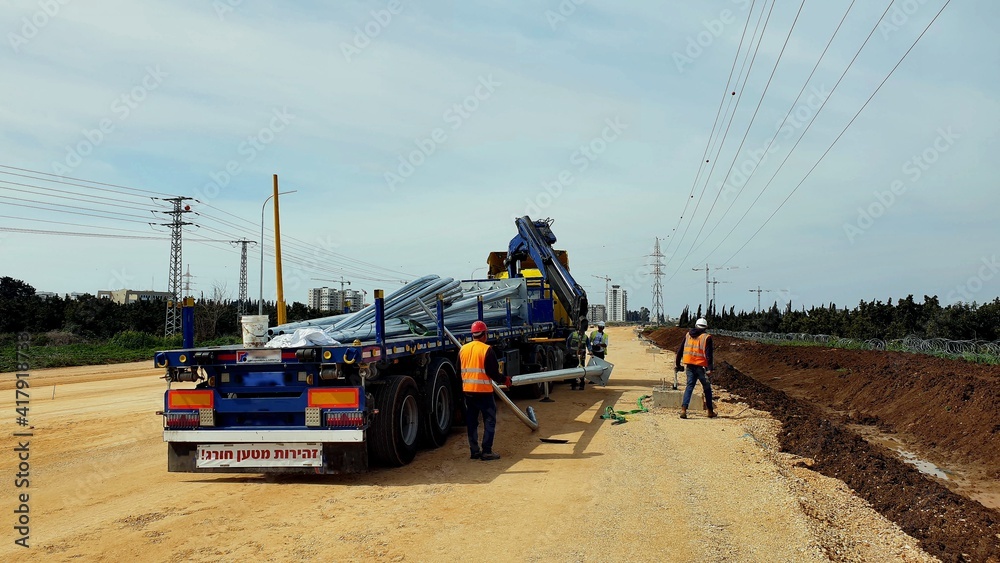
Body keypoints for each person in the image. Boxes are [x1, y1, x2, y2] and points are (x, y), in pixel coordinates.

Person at [459, 320, 503, 461]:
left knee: (472, 422)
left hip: (468, 392)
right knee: (489, 420)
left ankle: (474, 451)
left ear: (473, 335)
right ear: (484, 334)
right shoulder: (487, 349)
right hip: (484, 392)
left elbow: (457, 373)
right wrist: (506, 380)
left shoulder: (463, 349)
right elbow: (493, 373)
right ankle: (487, 451)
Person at [674, 317, 717, 419]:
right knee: (707, 388)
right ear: (706, 327)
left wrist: (678, 364)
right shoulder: (707, 337)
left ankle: (683, 410)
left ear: (696, 325)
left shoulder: (688, 335)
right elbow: (709, 355)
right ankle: (710, 411)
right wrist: (710, 368)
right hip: (701, 367)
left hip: (689, 366)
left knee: (689, 387)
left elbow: (680, 351)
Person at [565, 323, 590, 390]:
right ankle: (574, 384)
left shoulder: (585, 337)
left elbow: (588, 345)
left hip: (582, 356)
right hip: (573, 355)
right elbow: (568, 343)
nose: (582, 332)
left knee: (582, 369)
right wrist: (568, 351)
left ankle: (582, 384)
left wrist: (590, 351)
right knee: (573, 370)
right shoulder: (573, 335)